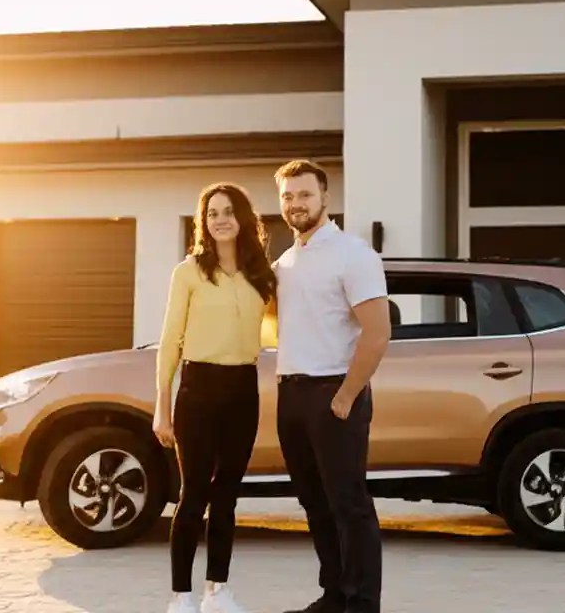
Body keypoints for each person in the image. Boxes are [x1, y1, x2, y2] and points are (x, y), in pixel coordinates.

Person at [271, 160, 392, 613]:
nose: (295, 204)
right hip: (292, 395)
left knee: (349, 505)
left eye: (304, 194)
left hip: (334, 393)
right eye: (287, 196)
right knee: (315, 503)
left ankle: (362, 603)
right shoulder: (285, 262)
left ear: (325, 198)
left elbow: (377, 333)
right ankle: (334, 595)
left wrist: (345, 396)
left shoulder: (353, 254)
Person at [153, 182, 277, 613]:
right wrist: (161, 407)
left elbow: (281, 330)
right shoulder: (188, 272)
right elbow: (170, 341)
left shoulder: (263, 274)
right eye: (211, 213)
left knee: (227, 495)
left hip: (243, 389)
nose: (220, 219)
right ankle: (180, 597)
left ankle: (217, 591)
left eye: (228, 211)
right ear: (203, 223)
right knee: (193, 496)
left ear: (242, 218)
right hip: (198, 390)